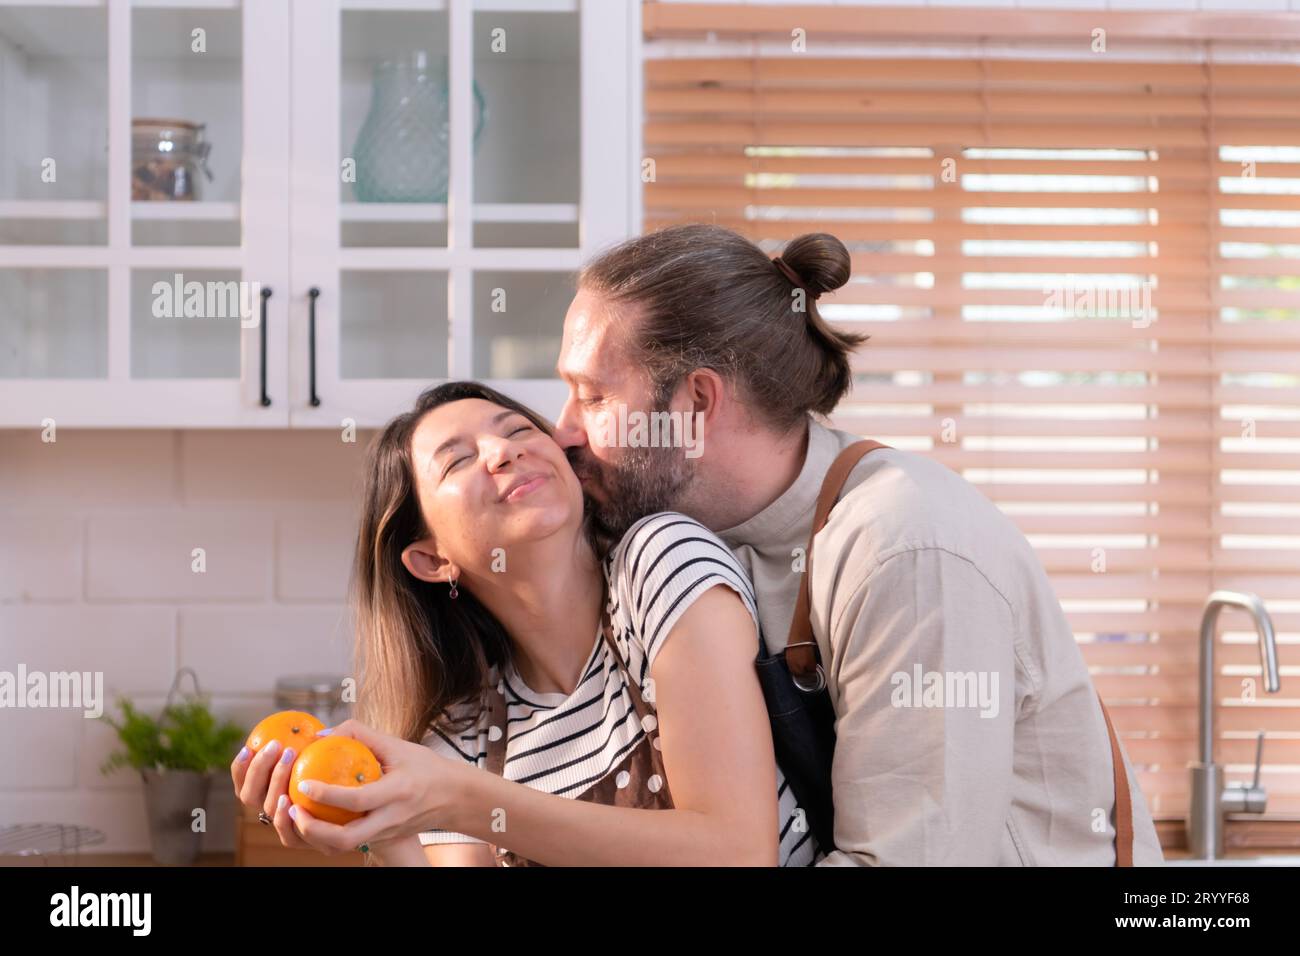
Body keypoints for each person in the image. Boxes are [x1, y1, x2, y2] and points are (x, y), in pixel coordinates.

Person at [548, 223, 1165, 866]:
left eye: (593, 396)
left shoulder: (906, 549)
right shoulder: (685, 548)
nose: (563, 429)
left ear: (695, 403)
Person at [231, 381, 821, 866]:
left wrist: (459, 800)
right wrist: (384, 831)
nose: (503, 451)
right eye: (459, 459)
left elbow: (737, 854)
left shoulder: (661, 562)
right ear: (432, 560)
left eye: (517, 430)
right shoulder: (462, 733)